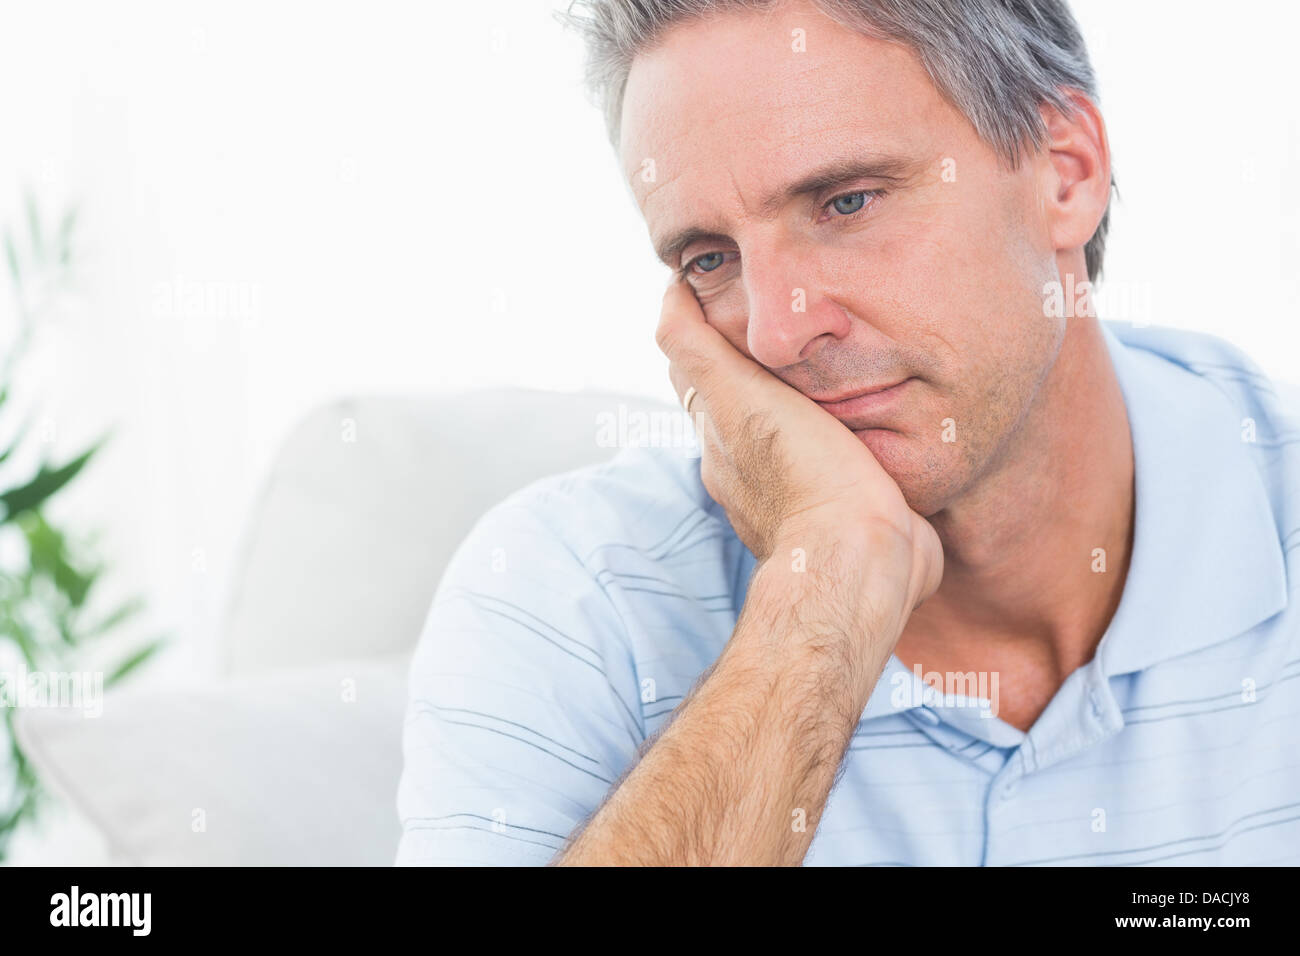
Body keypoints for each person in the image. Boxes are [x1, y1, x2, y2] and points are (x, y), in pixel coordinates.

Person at [395, 0, 1300, 866]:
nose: (776, 334)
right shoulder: (575, 595)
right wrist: (827, 583)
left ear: (1064, 171)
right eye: (709, 259)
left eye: (846, 203)